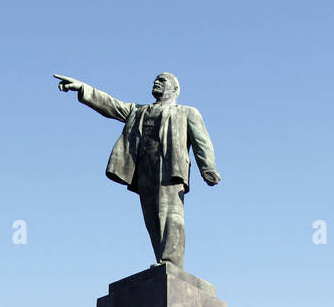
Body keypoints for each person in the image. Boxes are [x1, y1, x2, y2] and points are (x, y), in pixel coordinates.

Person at [54, 71, 221, 268]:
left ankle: (171, 263)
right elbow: (111, 105)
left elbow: (202, 142)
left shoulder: (187, 112)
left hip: (170, 169)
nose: (156, 82)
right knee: (152, 221)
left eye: (162, 80)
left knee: (171, 217)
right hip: (144, 169)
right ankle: (162, 261)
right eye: (155, 80)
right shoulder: (139, 111)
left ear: (175, 89)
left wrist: (208, 168)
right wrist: (84, 88)